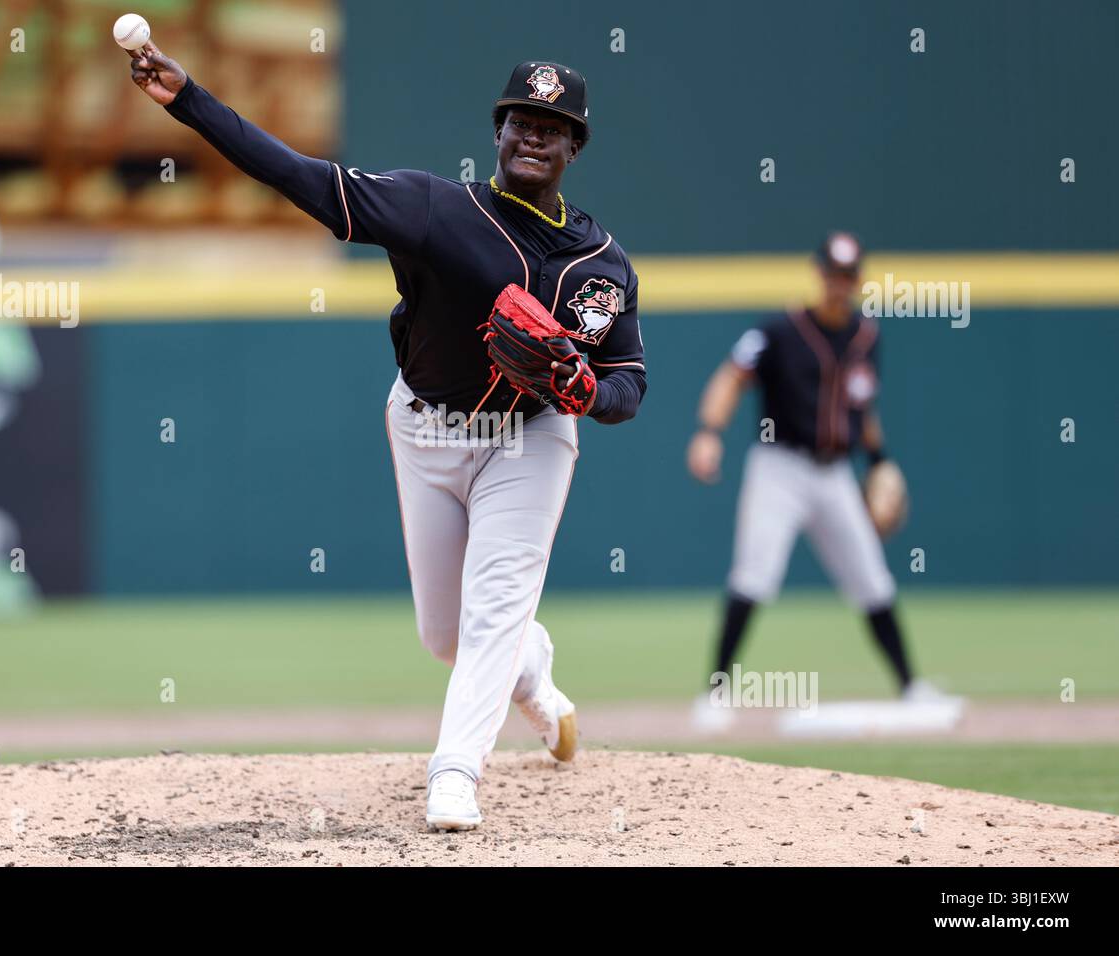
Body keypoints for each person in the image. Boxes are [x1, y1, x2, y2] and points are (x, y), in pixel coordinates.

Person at [127, 49, 646, 829]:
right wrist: (189, 101)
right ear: (498, 131)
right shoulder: (434, 208)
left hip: (530, 441)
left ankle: (455, 774)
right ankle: (532, 673)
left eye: (554, 126)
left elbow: (628, 384)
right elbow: (301, 177)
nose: (534, 137)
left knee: (492, 610)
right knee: (447, 635)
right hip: (426, 429)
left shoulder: (604, 269)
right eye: (521, 121)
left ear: (576, 146)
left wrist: (588, 392)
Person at [685, 232, 956, 729]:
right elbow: (730, 377)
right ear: (819, 275)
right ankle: (715, 694)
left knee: (872, 578)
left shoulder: (866, 337)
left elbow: (863, 408)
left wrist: (879, 461)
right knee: (753, 574)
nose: (839, 285)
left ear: (857, 281)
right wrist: (709, 432)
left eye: (848, 277)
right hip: (779, 468)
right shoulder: (778, 332)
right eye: (832, 275)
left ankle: (912, 687)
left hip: (835, 473)